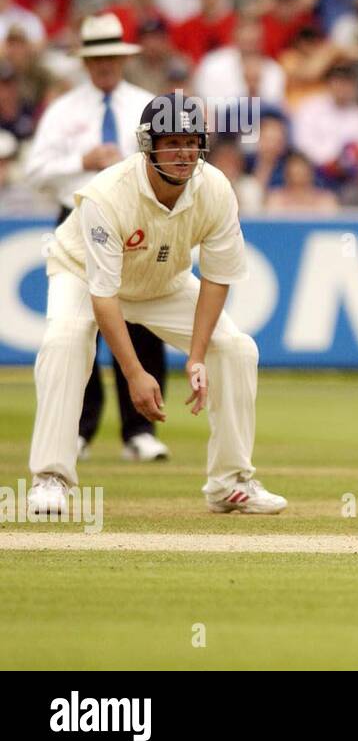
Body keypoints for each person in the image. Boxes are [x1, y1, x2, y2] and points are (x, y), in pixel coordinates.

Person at [26, 93, 286, 517]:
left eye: (191, 141)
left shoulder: (215, 188)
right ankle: (51, 479)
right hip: (82, 275)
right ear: (148, 146)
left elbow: (217, 278)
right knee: (66, 340)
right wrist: (134, 374)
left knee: (237, 349)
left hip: (163, 282)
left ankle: (230, 483)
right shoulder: (107, 195)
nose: (184, 153)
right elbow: (104, 296)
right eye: (172, 142)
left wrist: (198, 356)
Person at [23, 14, 171, 463]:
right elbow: (35, 172)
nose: (104, 65)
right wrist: (81, 159)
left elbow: (167, 163)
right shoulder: (65, 110)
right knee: (79, 323)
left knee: (141, 322)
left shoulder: (147, 105)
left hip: (137, 221)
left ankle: (140, 430)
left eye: (111, 57)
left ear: (121, 59)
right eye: (97, 58)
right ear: (86, 62)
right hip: (79, 220)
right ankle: (79, 430)